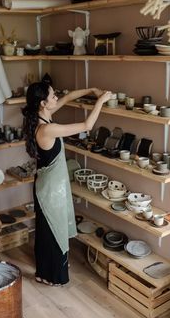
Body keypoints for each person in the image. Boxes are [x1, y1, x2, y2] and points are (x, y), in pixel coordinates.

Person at [22, 82, 112, 286]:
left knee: (47, 230)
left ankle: (44, 270)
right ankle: (50, 275)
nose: (56, 98)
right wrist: (101, 101)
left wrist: (91, 90)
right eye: (53, 96)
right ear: (43, 103)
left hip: (47, 184)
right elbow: (87, 126)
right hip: (50, 190)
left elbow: (70, 95)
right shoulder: (47, 128)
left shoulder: (39, 117)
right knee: (53, 230)